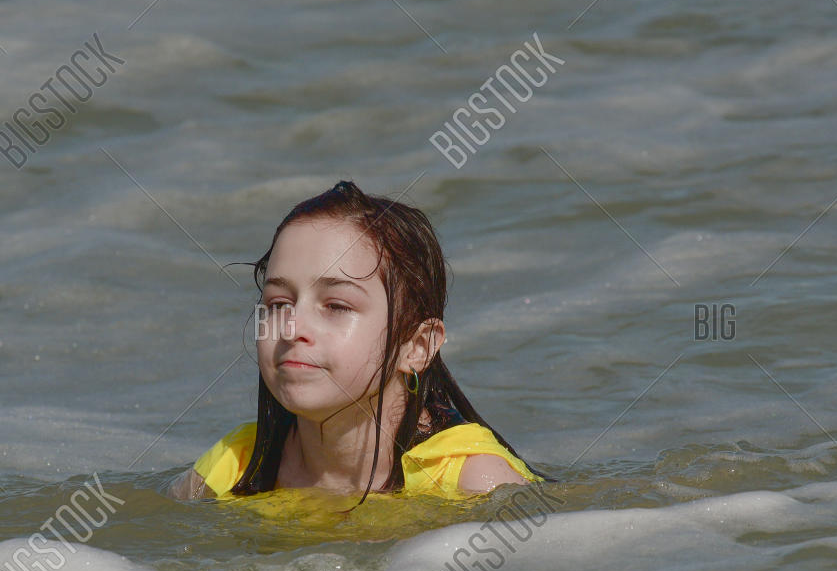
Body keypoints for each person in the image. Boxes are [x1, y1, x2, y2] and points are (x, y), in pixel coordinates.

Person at [170, 180, 551, 505]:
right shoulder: (233, 470)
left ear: (417, 346)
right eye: (278, 304)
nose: (291, 327)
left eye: (336, 306)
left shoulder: (475, 483)